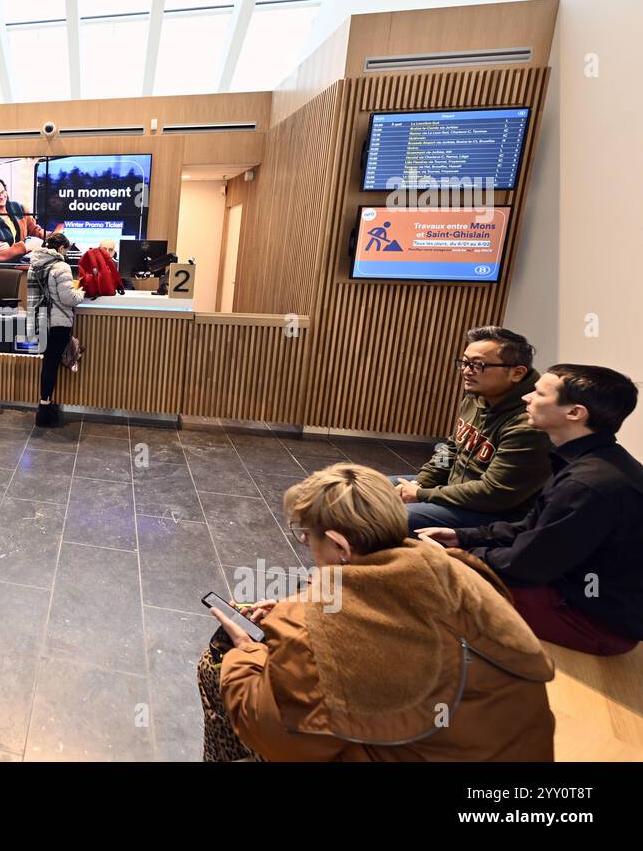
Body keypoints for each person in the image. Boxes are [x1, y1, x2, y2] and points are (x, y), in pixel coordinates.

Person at [198, 463, 555, 761]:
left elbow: (280, 738)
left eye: (306, 535)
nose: (306, 543)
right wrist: (301, 608)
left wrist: (248, 653)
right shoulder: (455, 568)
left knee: (217, 664)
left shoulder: (308, 626)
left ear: (338, 544)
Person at [420, 364, 643, 656]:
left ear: (574, 413)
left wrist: (460, 557)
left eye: (538, 393)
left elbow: (525, 565)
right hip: (569, 589)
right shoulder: (592, 460)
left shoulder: (588, 484)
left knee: (427, 581)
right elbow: (531, 528)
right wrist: (462, 537)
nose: (526, 398)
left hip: (591, 621)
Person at [392, 326, 551, 532]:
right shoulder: (476, 397)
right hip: (451, 491)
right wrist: (422, 482)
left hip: (490, 514)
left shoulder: (529, 424)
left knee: (390, 517)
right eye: (465, 363)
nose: (466, 371)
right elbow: (449, 451)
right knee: (366, 488)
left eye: (478, 365)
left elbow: (493, 493)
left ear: (517, 372)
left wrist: (421, 495)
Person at [27, 231, 83, 428]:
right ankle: (44, 412)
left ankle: (45, 405)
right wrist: (81, 292)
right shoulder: (61, 266)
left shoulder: (34, 265)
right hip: (58, 323)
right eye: (66, 250)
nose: (67, 254)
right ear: (60, 248)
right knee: (51, 365)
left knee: (48, 364)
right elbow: (68, 298)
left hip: (40, 322)